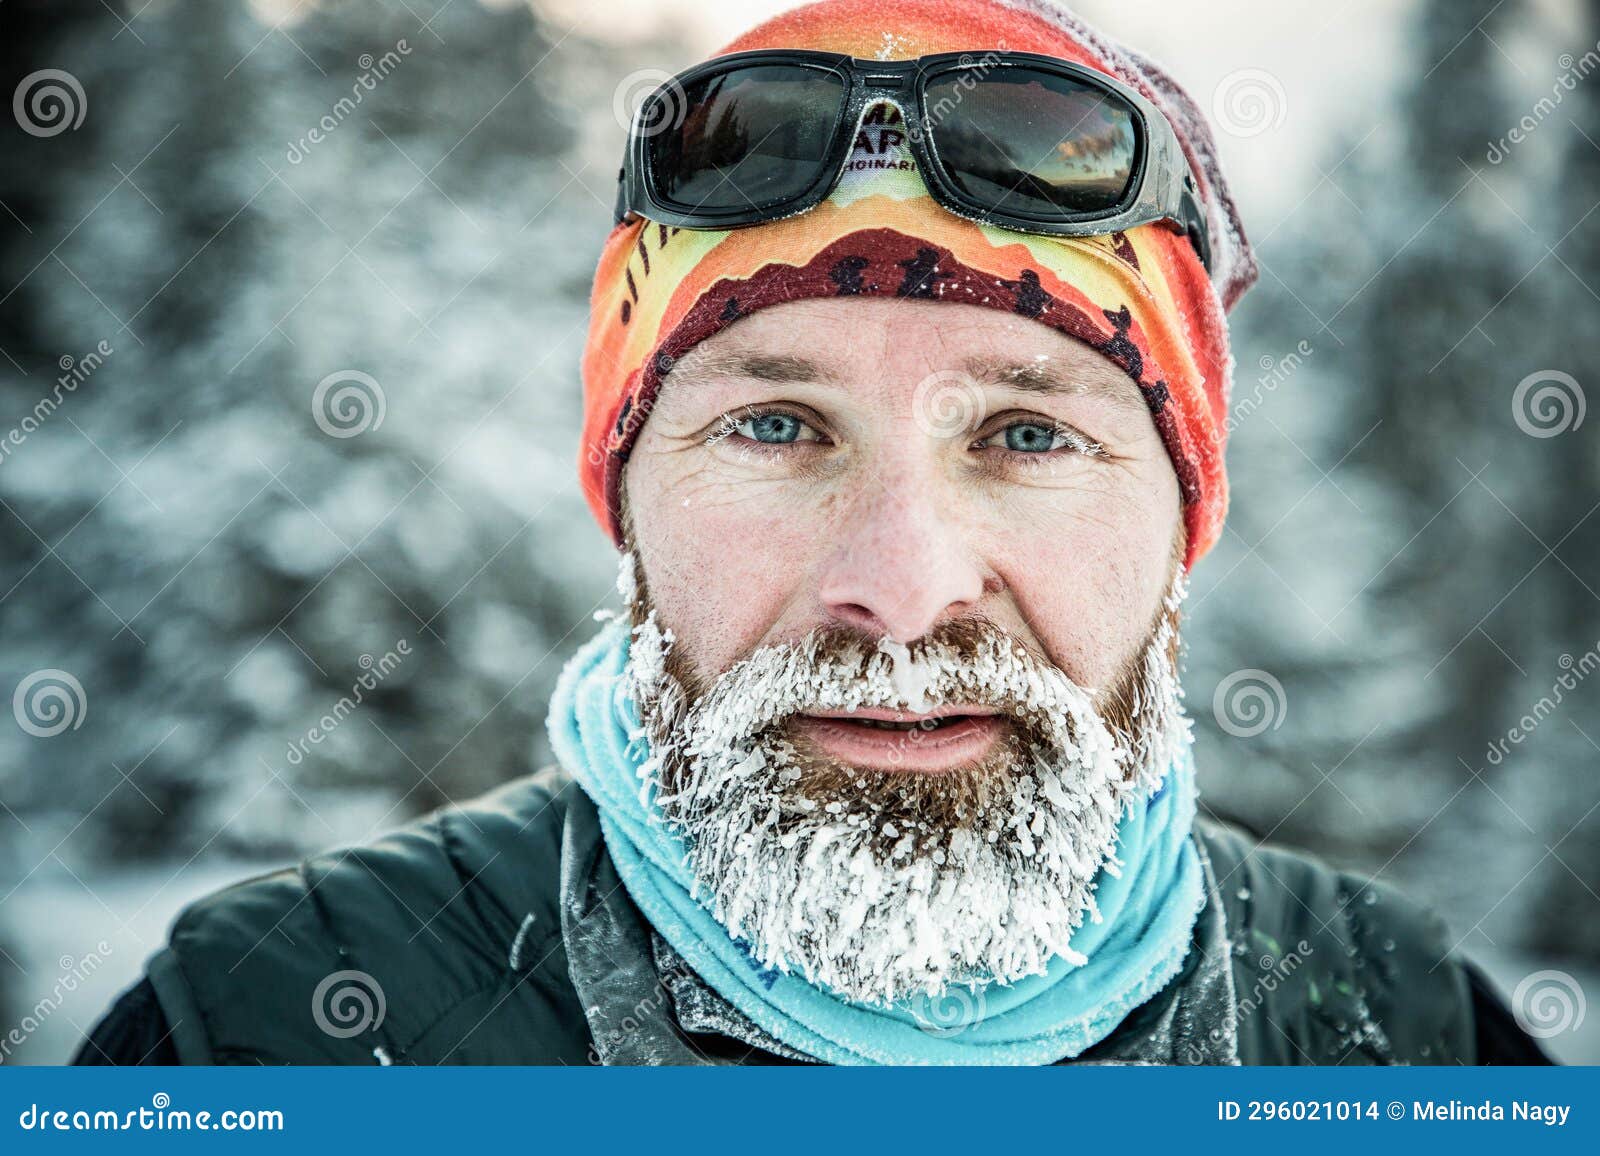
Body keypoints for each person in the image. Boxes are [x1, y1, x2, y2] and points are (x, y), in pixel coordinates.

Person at [76, 0, 1548, 1066]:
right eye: (777, 427)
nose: (900, 594)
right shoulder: (269, 1035)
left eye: (1028, 435)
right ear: (626, 498)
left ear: (1183, 519)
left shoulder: (1403, 1038)